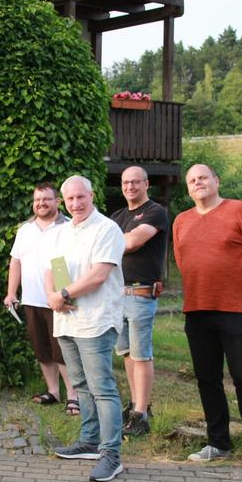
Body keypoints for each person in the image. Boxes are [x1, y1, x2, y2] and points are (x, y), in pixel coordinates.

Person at [172, 164, 242, 471]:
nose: (197, 183)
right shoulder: (182, 221)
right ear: (188, 189)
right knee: (207, 379)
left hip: (237, 310)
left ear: (216, 181)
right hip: (197, 309)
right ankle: (218, 442)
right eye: (192, 180)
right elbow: (183, 261)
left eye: (203, 177)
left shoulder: (240, 211)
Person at [46, 175, 127, 482]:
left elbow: (99, 275)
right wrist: (56, 297)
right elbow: (54, 270)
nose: (76, 203)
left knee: (102, 388)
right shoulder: (62, 231)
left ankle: (111, 455)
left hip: (95, 320)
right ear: (63, 202)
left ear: (92, 196)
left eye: (81, 197)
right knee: (80, 384)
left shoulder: (107, 229)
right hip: (66, 319)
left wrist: (63, 295)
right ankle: (90, 441)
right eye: (70, 199)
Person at [3, 182, 75, 414]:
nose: (41, 203)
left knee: (61, 350)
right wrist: (11, 293)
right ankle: (53, 391)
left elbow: (64, 262)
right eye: (37, 200)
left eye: (46, 199)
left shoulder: (68, 227)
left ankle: (74, 396)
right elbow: (16, 262)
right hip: (31, 299)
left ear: (57, 202)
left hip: (55, 299)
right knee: (42, 349)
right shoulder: (25, 229)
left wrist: (61, 295)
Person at [109, 166, 168, 437]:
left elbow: (132, 242)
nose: (130, 187)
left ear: (146, 184)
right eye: (125, 182)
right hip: (117, 294)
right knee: (127, 355)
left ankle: (142, 414)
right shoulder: (118, 216)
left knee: (141, 355)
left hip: (140, 294)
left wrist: (107, 241)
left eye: (135, 182)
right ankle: (134, 405)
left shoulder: (156, 211)